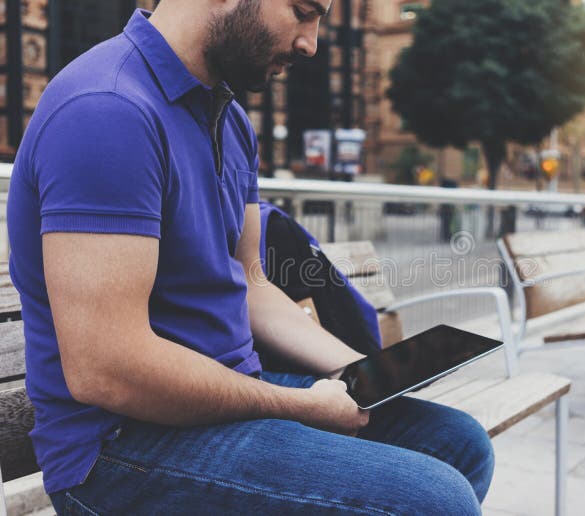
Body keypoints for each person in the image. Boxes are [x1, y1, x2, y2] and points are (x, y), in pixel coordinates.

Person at [6, 1, 494, 513]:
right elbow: (107, 369)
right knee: (435, 502)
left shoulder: (230, 119)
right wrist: (300, 406)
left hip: (225, 398)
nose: (312, 42)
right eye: (304, 11)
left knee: (459, 443)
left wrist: (366, 369)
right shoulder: (106, 110)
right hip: (120, 447)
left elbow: (250, 283)